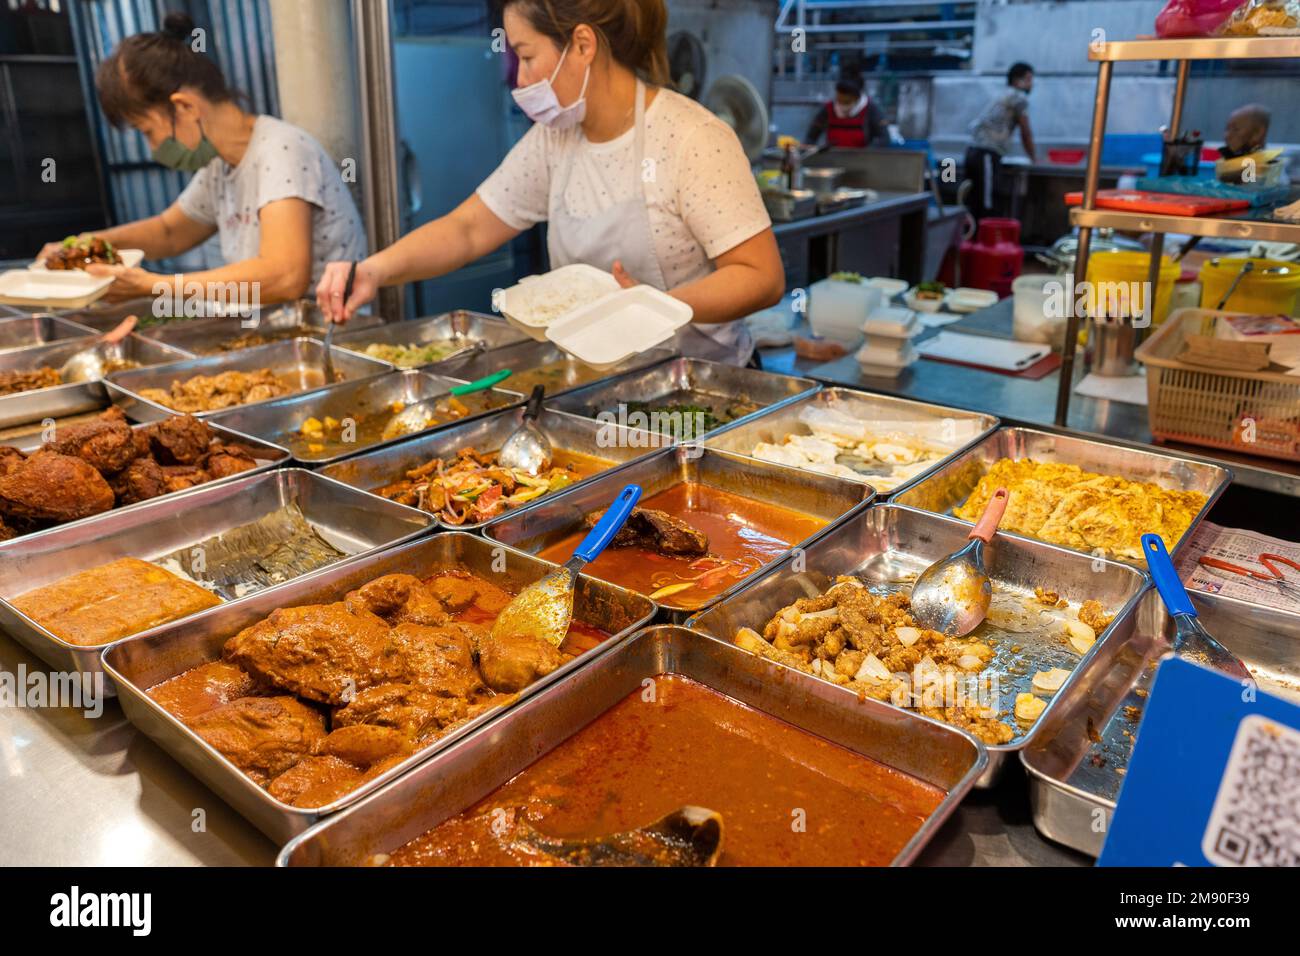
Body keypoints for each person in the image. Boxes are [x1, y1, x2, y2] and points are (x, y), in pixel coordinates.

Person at [317, 0, 783, 366]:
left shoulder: (691, 138)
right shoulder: (555, 141)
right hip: (599, 391)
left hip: (701, 392)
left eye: (526, 56)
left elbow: (761, 278)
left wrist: (653, 305)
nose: (519, 79)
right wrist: (374, 270)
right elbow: (468, 229)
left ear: (582, 45)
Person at [38, 12, 365, 307]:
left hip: (325, 334)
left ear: (185, 107)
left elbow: (284, 276)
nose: (153, 149)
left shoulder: (282, 150)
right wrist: (84, 245)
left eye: (147, 130)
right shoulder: (220, 165)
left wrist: (155, 286)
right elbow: (169, 231)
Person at [964, 62, 1037, 221]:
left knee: (974, 201)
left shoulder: (1005, 95)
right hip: (986, 153)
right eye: (1029, 79)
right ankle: (985, 243)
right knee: (988, 204)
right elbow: (1026, 132)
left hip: (974, 151)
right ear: (1018, 81)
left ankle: (972, 241)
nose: (1032, 84)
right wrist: (1034, 158)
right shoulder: (1018, 97)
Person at [805, 76, 891, 149]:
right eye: (839, 100)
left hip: (862, 159)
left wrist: (868, 152)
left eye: (846, 102)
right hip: (832, 159)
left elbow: (884, 139)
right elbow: (811, 136)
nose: (842, 105)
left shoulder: (871, 110)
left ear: (857, 98)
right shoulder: (828, 109)